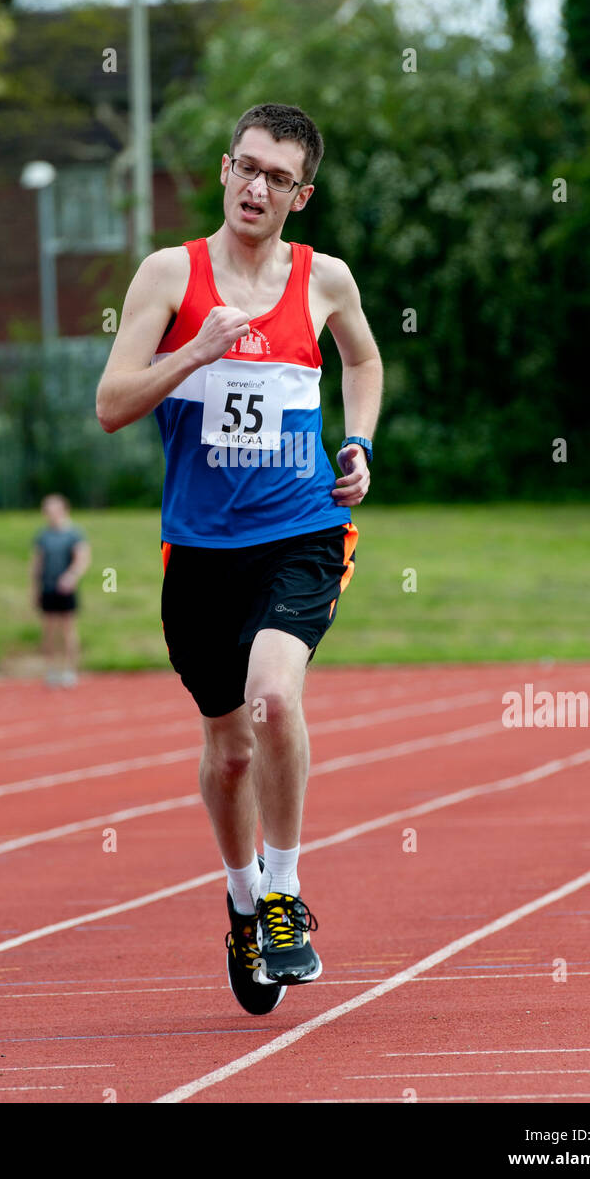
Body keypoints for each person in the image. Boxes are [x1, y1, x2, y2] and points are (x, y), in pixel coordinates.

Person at [96, 103, 382, 1015]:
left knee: (273, 697)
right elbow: (110, 404)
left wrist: (361, 445)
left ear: (303, 195)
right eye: (246, 169)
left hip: (299, 531)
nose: (257, 188)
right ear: (224, 170)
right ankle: (242, 900)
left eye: (277, 178)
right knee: (225, 753)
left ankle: (287, 893)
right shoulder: (167, 275)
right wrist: (196, 351)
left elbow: (363, 364)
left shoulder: (324, 278)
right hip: (200, 550)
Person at [32, 494, 91, 687]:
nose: (50, 514)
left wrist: (71, 576)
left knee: (68, 630)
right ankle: (51, 669)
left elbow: (82, 558)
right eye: (47, 510)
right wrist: (34, 588)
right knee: (48, 631)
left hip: (66, 589)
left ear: (64, 510)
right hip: (47, 588)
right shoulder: (43, 535)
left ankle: (69, 670)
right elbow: (37, 563)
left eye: (53, 509)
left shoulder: (74, 533)